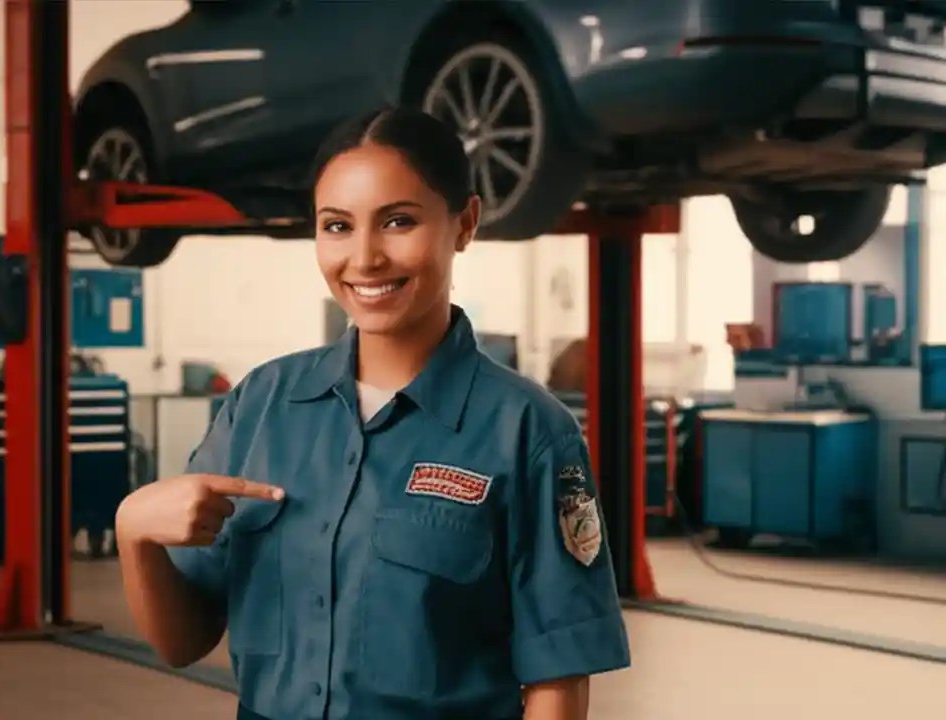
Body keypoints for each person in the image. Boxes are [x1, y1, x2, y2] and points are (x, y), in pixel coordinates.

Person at [115, 107, 631, 720]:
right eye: (337, 226)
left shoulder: (528, 431)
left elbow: (558, 681)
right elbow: (182, 641)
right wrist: (133, 532)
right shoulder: (261, 405)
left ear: (464, 224)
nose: (364, 258)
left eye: (398, 222)